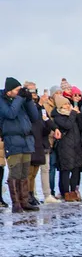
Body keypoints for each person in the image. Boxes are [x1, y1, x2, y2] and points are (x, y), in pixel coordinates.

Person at [0, 78, 38, 211]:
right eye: (17, 90)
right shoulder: (2, 100)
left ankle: (24, 201)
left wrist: (28, 101)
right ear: (9, 91)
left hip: (26, 140)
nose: (19, 92)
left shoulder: (20, 100)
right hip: (12, 140)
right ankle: (16, 203)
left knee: (24, 173)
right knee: (15, 172)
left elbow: (35, 117)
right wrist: (19, 99)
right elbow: (10, 114)